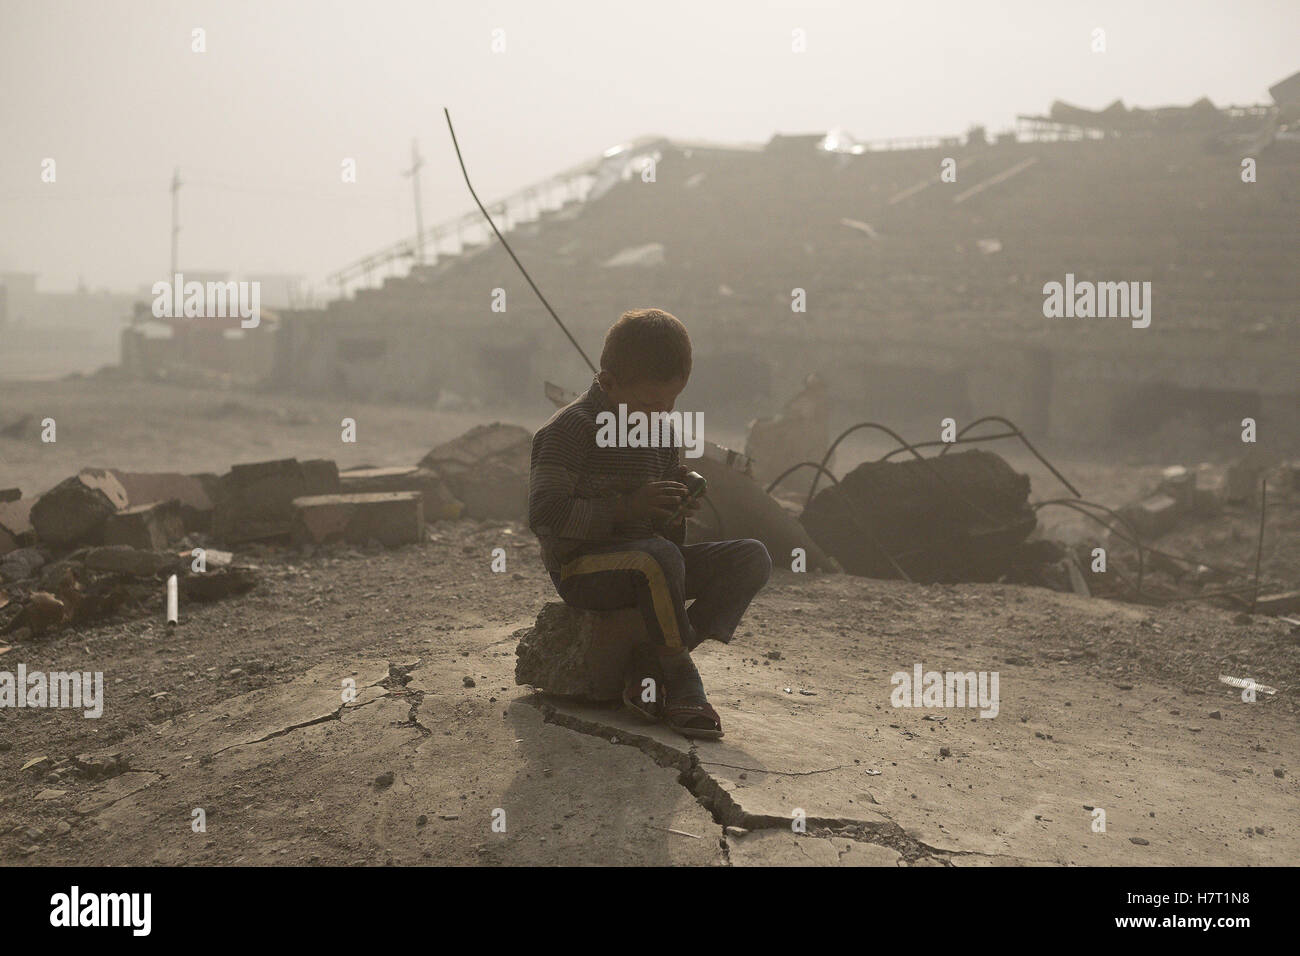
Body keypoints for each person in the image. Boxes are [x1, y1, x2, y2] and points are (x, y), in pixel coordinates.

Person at [528, 308, 772, 738]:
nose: (659, 412)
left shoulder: (660, 430)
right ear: (608, 382)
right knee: (655, 558)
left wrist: (673, 510)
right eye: (646, 403)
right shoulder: (569, 429)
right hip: (584, 568)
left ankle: (652, 661)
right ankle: (681, 679)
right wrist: (627, 509)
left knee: (751, 558)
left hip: (653, 560)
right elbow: (545, 515)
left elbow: (665, 539)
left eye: (670, 403)